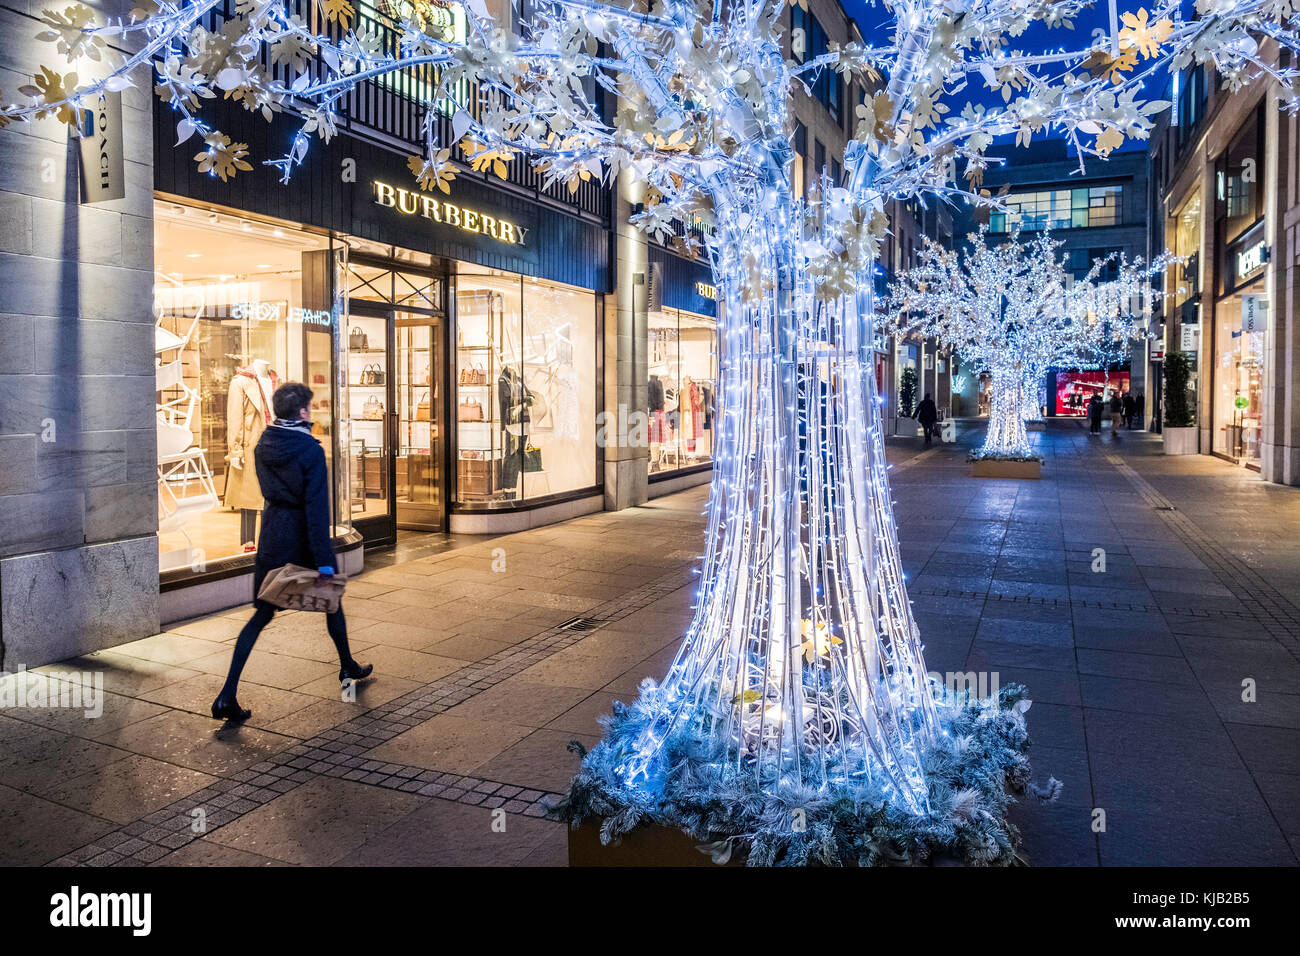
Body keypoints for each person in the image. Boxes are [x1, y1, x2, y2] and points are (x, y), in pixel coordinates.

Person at [212, 383, 372, 721]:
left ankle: (227, 693)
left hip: (272, 536)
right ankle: (346, 668)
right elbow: (316, 510)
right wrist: (325, 562)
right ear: (302, 412)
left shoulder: (263, 445)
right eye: (309, 408)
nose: (311, 413)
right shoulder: (309, 450)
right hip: (300, 539)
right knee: (332, 603)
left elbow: (271, 492)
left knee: (261, 615)